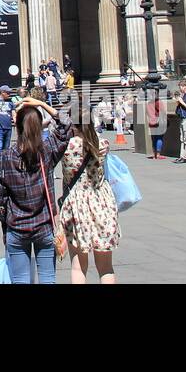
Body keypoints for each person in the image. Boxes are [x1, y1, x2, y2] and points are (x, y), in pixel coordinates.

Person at [0, 98, 71, 284]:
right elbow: (67, 124)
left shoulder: (3, 158)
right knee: (47, 279)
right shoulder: (47, 152)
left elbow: (0, 200)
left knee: (20, 280)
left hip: (17, 227)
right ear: (40, 127)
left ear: (17, 127)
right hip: (44, 226)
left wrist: (6, 228)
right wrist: (41, 104)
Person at [60, 119, 120, 284]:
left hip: (76, 203)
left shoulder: (67, 146)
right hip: (102, 202)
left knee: (78, 266)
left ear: (72, 125)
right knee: (106, 267)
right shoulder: (102, 144)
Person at [146, 92, 165, 158]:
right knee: (159, 138)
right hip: (158, 122)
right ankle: (158, 154)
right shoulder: (158, 102)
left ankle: (154, 154)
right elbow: (162, 111)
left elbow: (147, 113)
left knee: (153, 138)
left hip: (151, 122)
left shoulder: (148, 103)